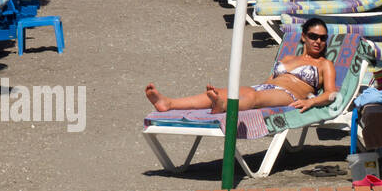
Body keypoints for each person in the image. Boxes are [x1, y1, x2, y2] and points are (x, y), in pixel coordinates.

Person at [145, 18, 338, 114]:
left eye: (323, 38)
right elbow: (270, 81)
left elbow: (331, 93)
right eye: (313, 36)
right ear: (304, 36)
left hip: (290, 95)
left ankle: (225, 106)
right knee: (223, 91)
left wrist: (310, 102)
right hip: (267, 88)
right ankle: (169, 103)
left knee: (253, 97)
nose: (318, 41)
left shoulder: (324, 64)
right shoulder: (287, 57)